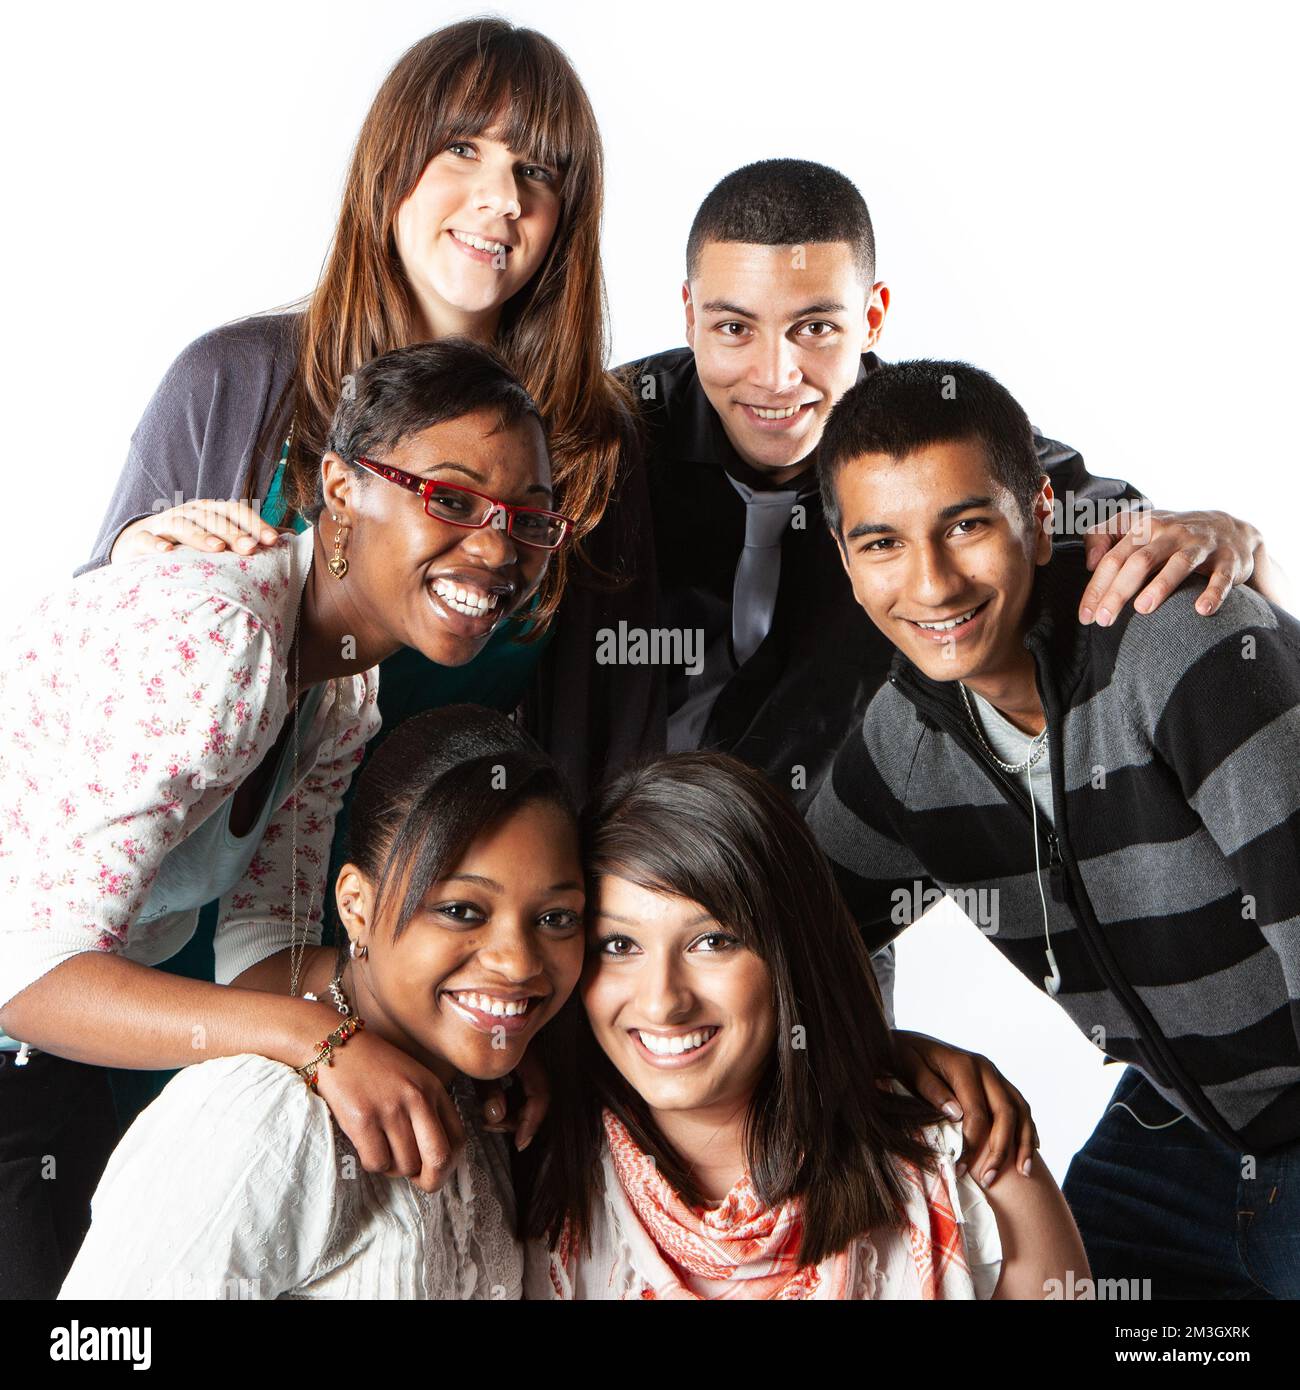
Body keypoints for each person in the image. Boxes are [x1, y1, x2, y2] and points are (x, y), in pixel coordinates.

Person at [0, 339, 565, 1298]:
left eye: (527, 518)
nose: (498, 549)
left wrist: (462, 1027)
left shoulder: (342, 692)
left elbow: (263, 943)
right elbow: (21, 972)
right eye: (454, 500)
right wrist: (321, 1040)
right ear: (341, 489)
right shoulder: (222, 645)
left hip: (51, 1070)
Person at [808, 358, 1300, 1299]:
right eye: (882, 544)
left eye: (966, 526)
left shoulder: (1181, 641)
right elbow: (788, 927)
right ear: (844, 558)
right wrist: (884, 1051)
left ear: (1039, 517)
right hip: (1182, 1126)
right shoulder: (905, 747)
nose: (933, 584)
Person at [89, 15, 657, 803]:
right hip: (172, 891)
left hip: (425, 901)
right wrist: (127, 564)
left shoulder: (594, 442)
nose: (501, 200)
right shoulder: (231, 380)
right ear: (392, 159)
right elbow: (79, 678)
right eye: (463, 149)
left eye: (539, 172)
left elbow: (596, 751)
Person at [624, 158, 1277, 808]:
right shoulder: (601, 435)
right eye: (734, 328)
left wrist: (1228, 540)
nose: (775, 375)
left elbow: (1150, 549)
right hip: (613, 861)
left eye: (816, 328)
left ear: (873, 315)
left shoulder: (947, 445)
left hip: (850, 868)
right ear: (689, 315)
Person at [60, 706, 585, 1300]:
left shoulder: (477, 1106)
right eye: (462, 910)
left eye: (556, 918)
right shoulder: (265, 1118)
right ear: (356, 905)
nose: (518, 963)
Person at [524, 754, 1087, 1299]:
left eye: (713, 941)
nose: (664, 1000)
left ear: (788, 954)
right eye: (620, 945)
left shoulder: (979, 1172)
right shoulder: (523, 1173)